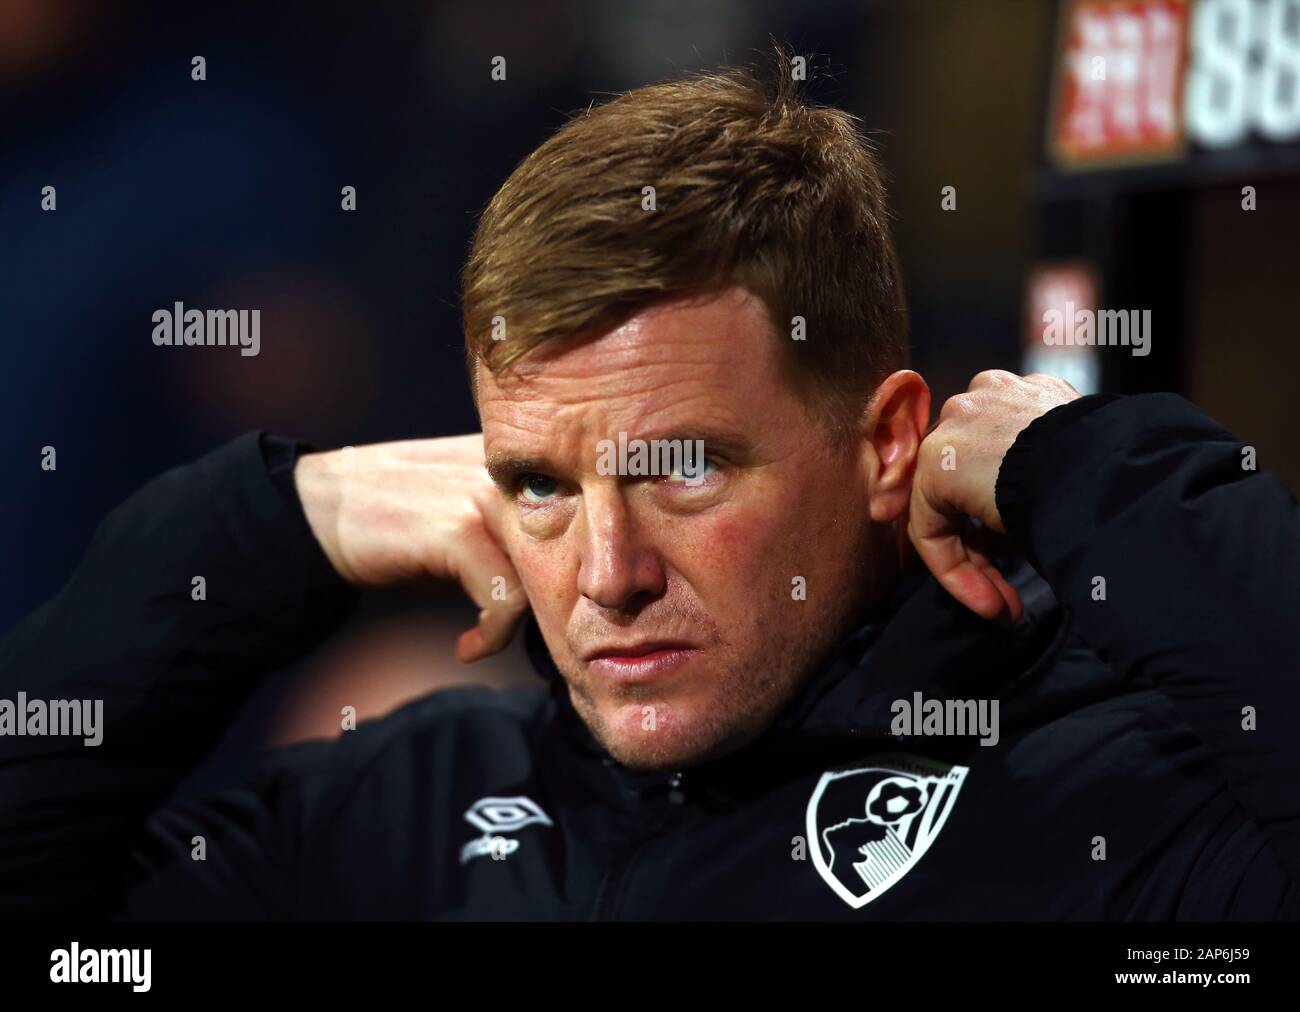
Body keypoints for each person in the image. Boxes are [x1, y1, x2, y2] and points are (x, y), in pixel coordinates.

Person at [1, 62, 1297, 921]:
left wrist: (1087, 470)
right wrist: (273, 521)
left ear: (888, 443)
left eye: (682, 472)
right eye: (538, 486)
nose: (607, 576)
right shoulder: (409, 821)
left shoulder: (1113, 800)